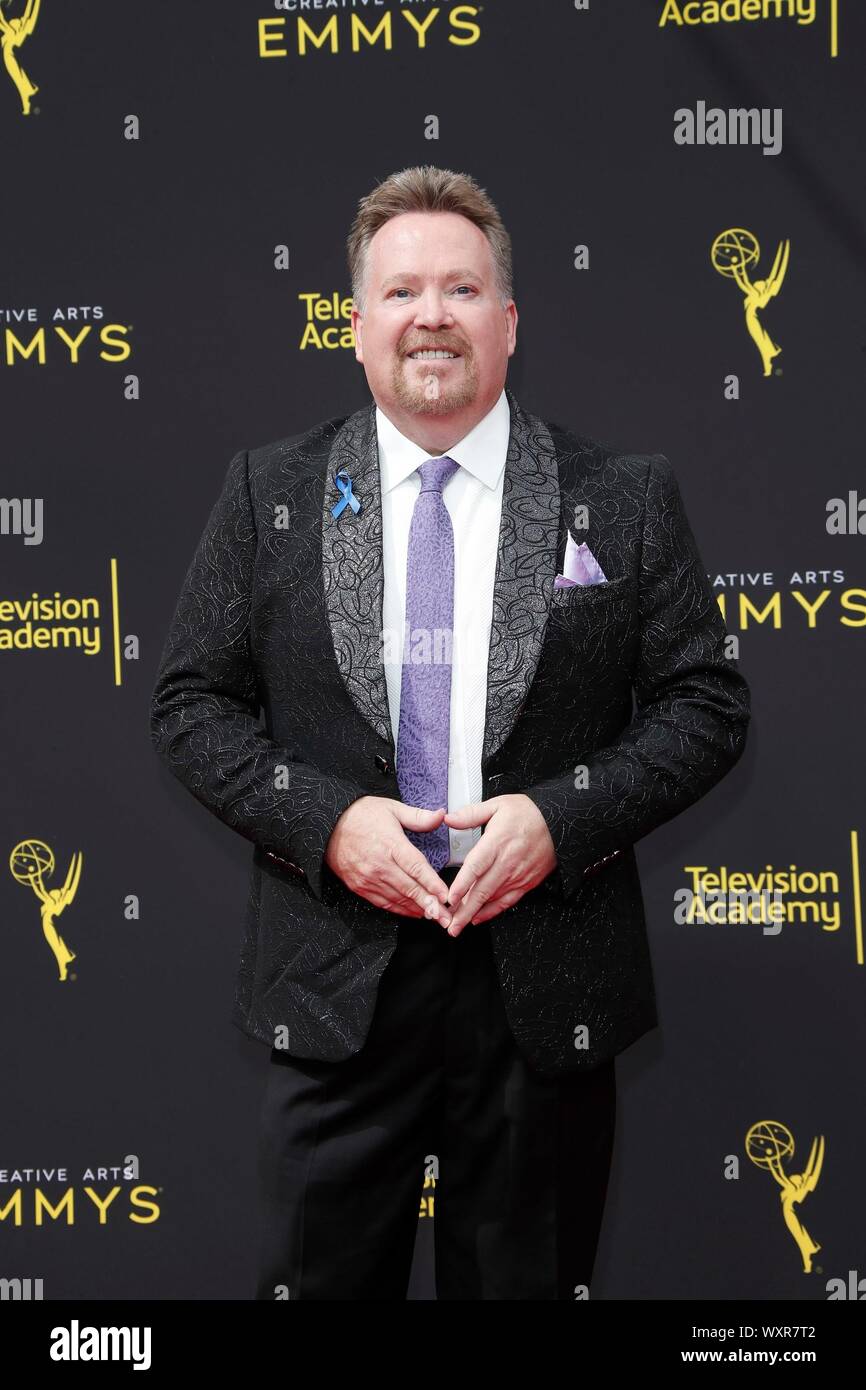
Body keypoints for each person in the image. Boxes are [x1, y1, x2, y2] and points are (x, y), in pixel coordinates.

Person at [150, 164, 751, 1300]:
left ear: (508, 322)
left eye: (462, 289)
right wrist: (327, 824)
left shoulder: (620, 497)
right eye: (401, 291)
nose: (431, 314)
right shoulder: (264, 493)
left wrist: (555, 817)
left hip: (543, 991)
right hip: (337, 985)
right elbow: (188, 705)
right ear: (355, 326)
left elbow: (706, 705)